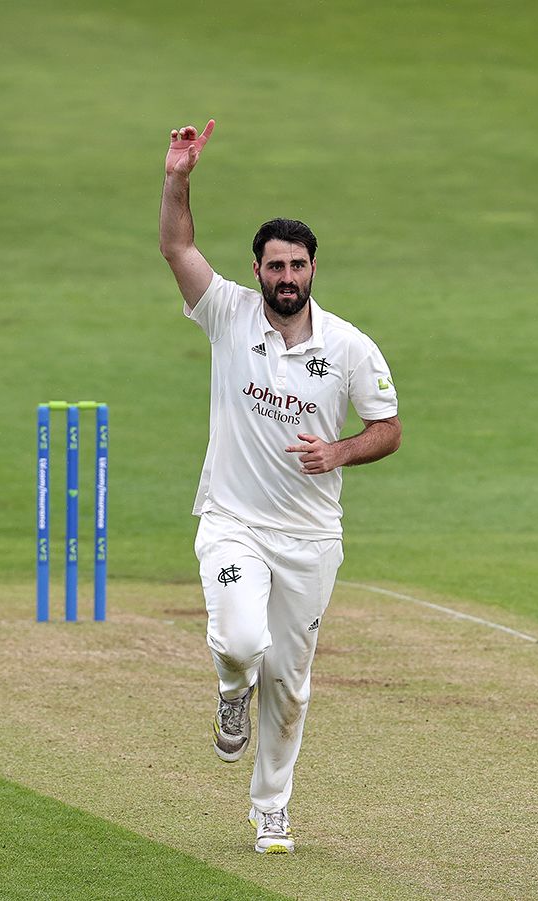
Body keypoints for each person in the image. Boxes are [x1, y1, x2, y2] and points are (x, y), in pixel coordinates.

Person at [159, 120, 402, 852]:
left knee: (290, 685)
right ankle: (232, 691)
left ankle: (271, 808)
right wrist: (178, 177)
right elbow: (176, 246)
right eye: (274, 265)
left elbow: (388, 428)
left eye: (297, 265)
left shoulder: (349, 347)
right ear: (257, 270)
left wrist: (339, 450)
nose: (286, 277)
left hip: (309, 537)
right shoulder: (229, 313)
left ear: (313, 270)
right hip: (232, 519)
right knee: (239, 641)